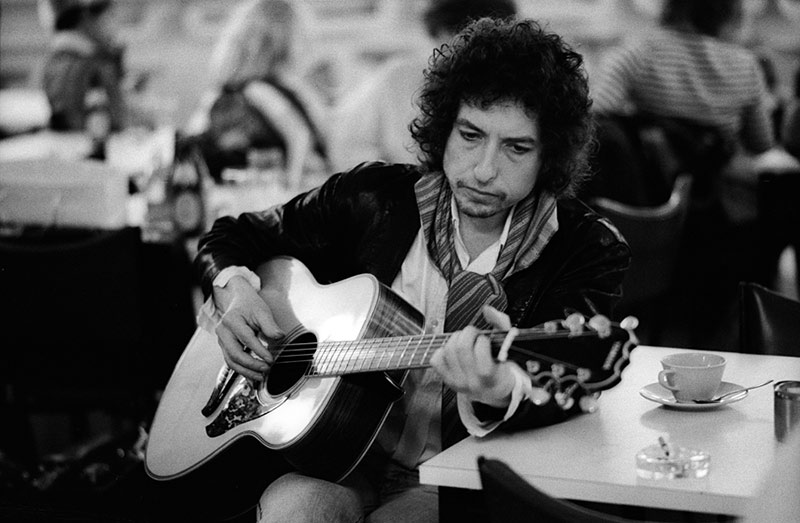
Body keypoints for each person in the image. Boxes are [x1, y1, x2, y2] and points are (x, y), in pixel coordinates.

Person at [195, 17, 630, 523]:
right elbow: (231, 237)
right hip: (332, 457)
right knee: (298, 512)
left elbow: (567, 395)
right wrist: (233, 290)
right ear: (444, 129)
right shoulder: (372, 199)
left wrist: (498, 388)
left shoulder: (585, 248)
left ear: (548, 156)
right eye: (470, 135)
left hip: (458, 479)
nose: (484, 169)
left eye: (516, 147)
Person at [328, 0, 517, 171]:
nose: (463, 49)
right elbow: (348, 147)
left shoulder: (513, 93)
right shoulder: (398, 78)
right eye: (455, 35)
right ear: (439, 32)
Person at [184, 0, 329, 189]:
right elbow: (300, 136)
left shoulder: (224, 93)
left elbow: (192, 138)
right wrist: (293, 188)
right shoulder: (261, 90)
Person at [40, 0, 127, 132]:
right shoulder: (77, 63)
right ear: (86, 18)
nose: (115, 26)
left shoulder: (88, 57)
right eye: (110, 16)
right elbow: (80, 123)